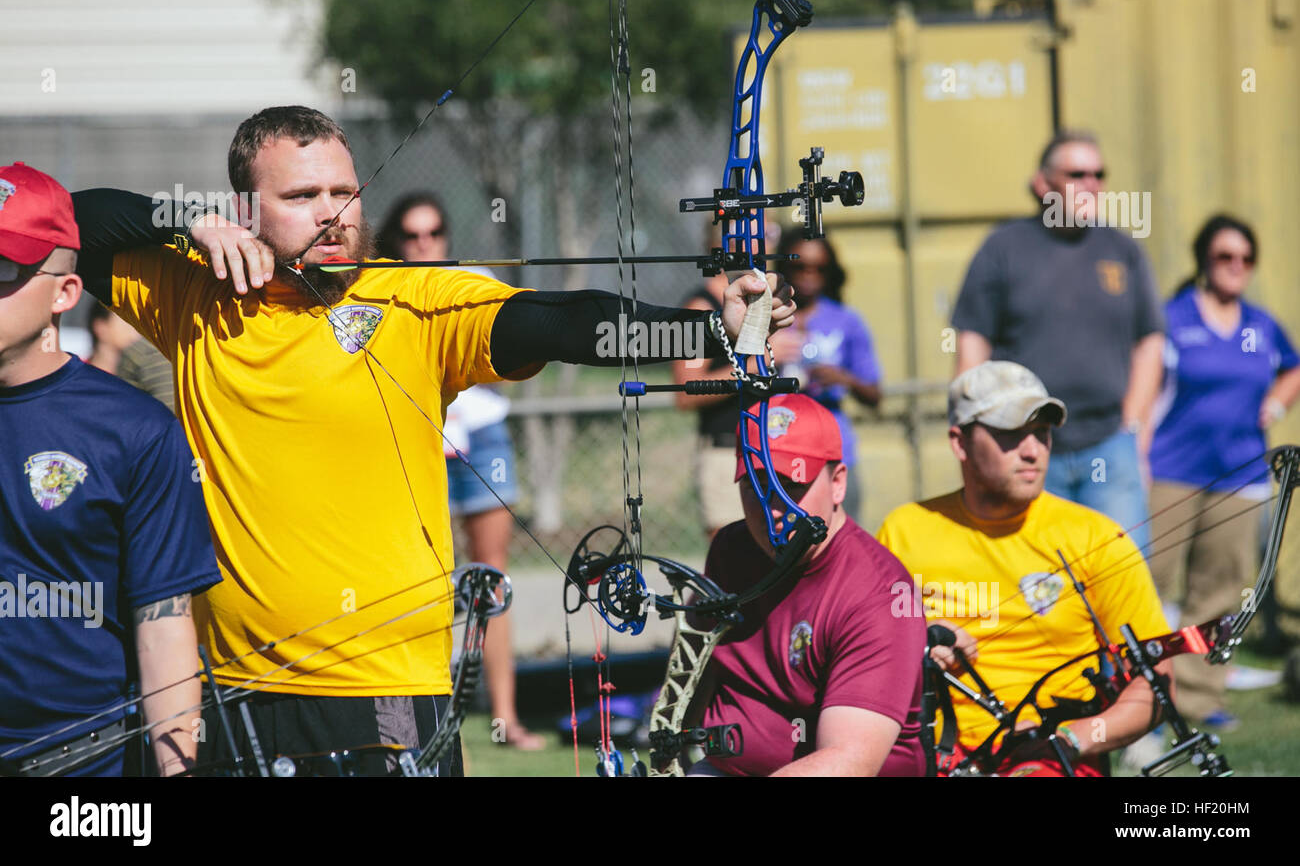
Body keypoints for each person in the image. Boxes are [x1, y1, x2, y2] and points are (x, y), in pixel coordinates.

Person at [69, 106, 796, 774]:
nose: (331, 216)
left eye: (343, 194)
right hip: (233, 686)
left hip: (384, 690)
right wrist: (187, 223)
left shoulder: (415, 303)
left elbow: (566, 322)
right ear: (242, 212)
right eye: (301, 198)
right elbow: (67, 222)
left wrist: (703, 329)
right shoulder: (193, 294)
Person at [0, 162, 220, 777]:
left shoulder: (135, 431)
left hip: (85, 769)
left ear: (65, 294)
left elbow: (164, 626)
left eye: (3, 269)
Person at [877, 361, 1172, 775]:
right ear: (959, 442)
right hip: (934, 754)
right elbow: (869, 661)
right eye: (1010, 435)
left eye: (1042, 433)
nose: (1032, 450)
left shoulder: (1096, 536)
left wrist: (1070, 739)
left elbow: (1156, 682)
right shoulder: (904, 530)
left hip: (1054, 759)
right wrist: (920, 648)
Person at [375, 191, 543, 751]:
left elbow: (515, 360)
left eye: (434, 233)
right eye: (412, 235)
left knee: (489, 578)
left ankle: (504, 718)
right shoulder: (382, 289)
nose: (424, 244)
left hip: (482, 440)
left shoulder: (472, 281)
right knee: (415, 577)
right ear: (395, 241)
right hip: (415, 440)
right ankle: (415, 723)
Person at [687, 394, 926, 776]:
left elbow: (849, 761)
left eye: (790, 486)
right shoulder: (730, 549)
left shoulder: (882, 593)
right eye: (757, 485)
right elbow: (691, 671)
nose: (773, 509)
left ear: (838, 483)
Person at [951, 130, 1164, 554]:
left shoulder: (1121, 250)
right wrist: (979, 434)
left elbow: (1149, 342)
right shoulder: (1003, 249)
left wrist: (1135, 431)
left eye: (1099, 174)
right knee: (1037, 582)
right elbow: (973, 342)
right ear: (1042, 184)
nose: (1092, 184)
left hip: (1109, 445)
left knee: (1123, 575)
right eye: (1076, 173)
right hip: (1023, 447)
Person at [1147, 214, 1300, 729]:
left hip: (1239, 477)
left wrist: (1277, 405)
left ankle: (1196, 699)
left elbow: (1293, 365)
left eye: (1245, 258)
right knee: (1146, 584)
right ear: (1204, 262)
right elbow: (1145, 386)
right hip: (1170, 472)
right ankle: (1130, 698)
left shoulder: (1260, 325)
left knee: (1219, 594)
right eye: (1224, 256)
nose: (1236, 267)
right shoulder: (1173, 317)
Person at [769, 229, 881, 519]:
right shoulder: (765, 318)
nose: (809, 275)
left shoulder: (847, 320)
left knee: (843, 538)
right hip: (777, 448)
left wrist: (844, 378)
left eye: (819, 268)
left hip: (835, 450)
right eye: (799, 266)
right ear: (783, 267)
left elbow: (874, 394)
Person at [672, 223, 745, 541]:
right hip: (725, 454)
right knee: (730, 571)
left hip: (769, 450)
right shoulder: (699, 308)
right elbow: (686, 392)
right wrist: (746, 370)